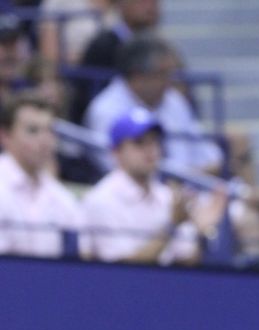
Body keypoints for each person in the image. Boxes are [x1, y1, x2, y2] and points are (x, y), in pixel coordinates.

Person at [81, 107, 228, 266]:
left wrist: (201, 234)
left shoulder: (167, 196)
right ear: (116, 152)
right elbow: (123, 269)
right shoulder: (101, 200)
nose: (150, 149)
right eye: (139, 142)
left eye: (154, 141)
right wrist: (171, 227)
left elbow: (186, 261)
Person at [84, 35, 224, 175]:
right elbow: (116, 170)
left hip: (191, 189)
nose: (169, 82)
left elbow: (210, 157)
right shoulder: (105, 110)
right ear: (137, 76)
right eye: (162, 74)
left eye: (170, 74)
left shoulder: (174, 100)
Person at [0, 92, 85, 259]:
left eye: (50, 130)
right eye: (33, 131)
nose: (45, 140)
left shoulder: (62, 198)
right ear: (5, 136)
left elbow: (74, 261)